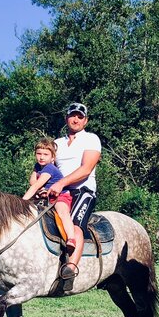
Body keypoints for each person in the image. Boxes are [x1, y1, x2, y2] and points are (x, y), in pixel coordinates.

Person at [46, 102, 101, 280]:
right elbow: (48, 169)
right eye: (72, 115)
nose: (75, 119)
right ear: (66, 118)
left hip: (83, 190)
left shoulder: (91, 139)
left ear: (85, 121)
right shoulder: (56, 143)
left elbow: (86, 169)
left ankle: (70, 268)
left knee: (76, 224)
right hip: (58, 191)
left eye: (80, 116)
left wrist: (61, 183)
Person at [22, 137, 76, 255]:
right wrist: (40, 190)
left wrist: (22, 202)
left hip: (60, 196)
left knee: (62, 212)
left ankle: (71, 238)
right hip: (46, 197)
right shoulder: (38, 166)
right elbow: (32, 181)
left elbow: (35, 186)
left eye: (45, 154)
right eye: (39, 153)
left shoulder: (49, 168)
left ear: (52, 158)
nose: (41, 157)